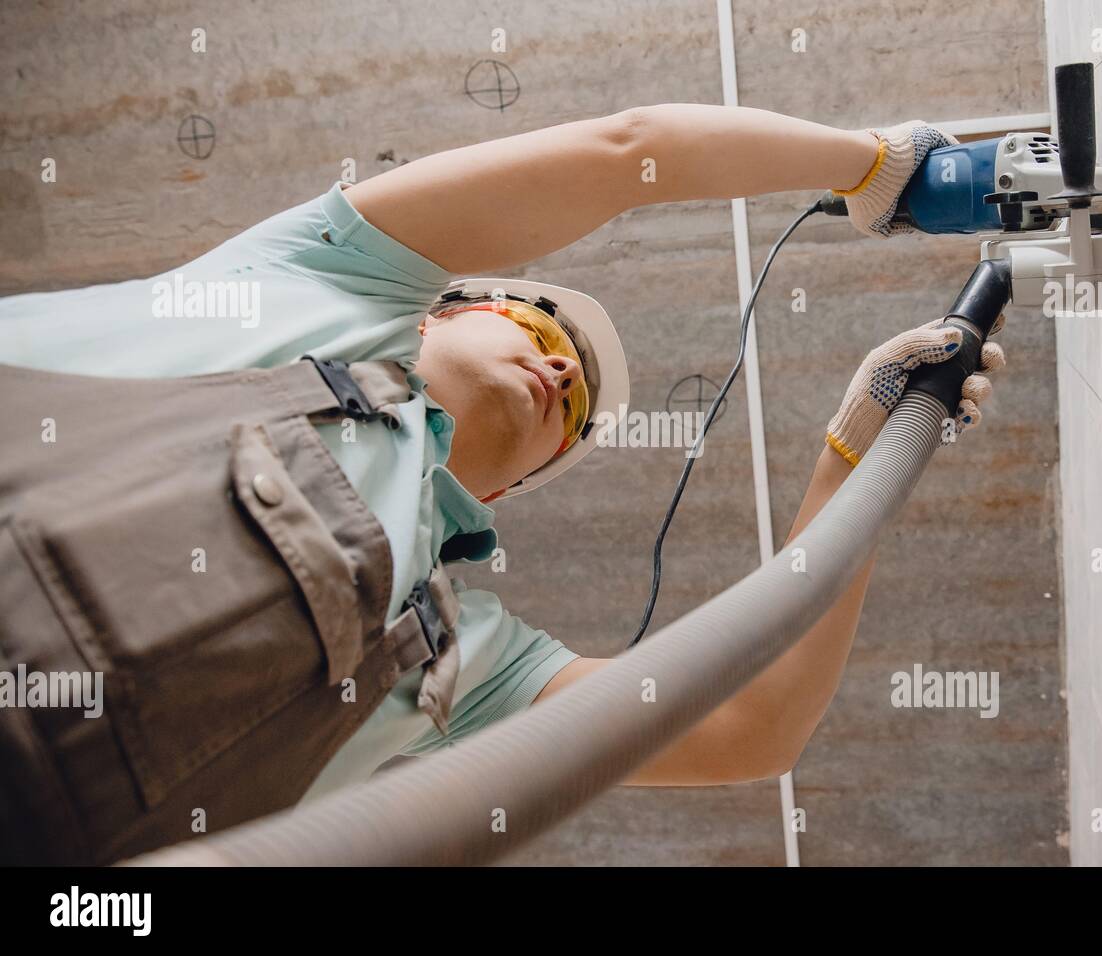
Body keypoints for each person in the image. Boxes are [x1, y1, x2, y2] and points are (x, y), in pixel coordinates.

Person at [0, 104, 1004, 797]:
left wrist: (852, 455)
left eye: (574, 412)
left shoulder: (462, 660)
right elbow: (628, 150)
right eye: (537, 331)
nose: (560, 371)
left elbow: (754, 729)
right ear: (449, 307)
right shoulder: (320, 277)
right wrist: (868, 162)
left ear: (511, 488)